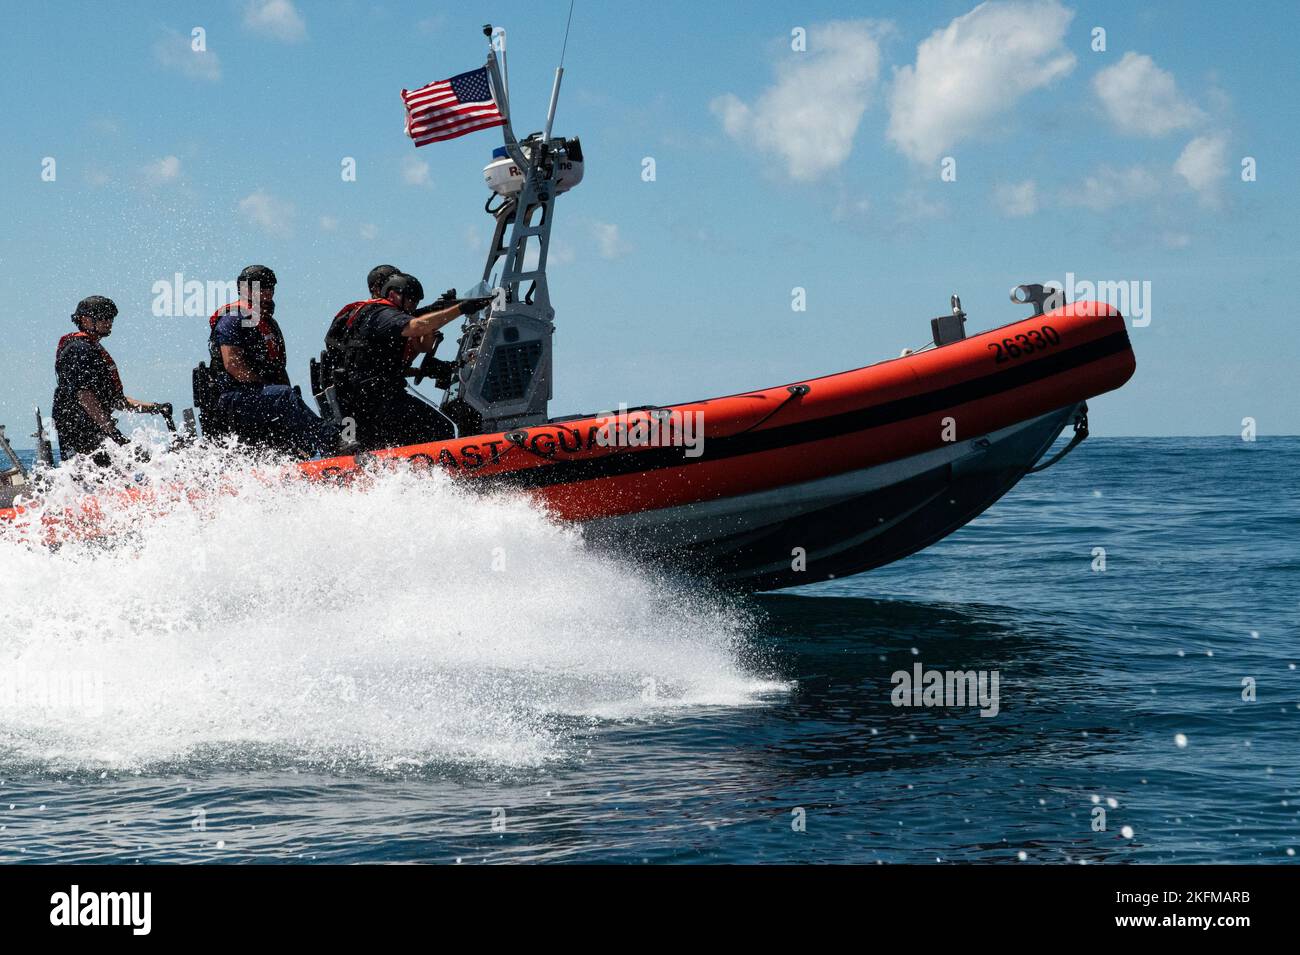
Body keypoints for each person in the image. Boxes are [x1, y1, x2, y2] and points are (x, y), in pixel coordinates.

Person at [326, 273, 490, 451]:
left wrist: (421, 369)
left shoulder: (374, 315)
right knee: (442, 428)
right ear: (392, 294)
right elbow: (418, 326)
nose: (413, 305)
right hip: (378, 400)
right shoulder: (383, 314)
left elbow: (422, 346)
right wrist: (461, 309)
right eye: (410, 298)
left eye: (417, 301)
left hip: (370, 398)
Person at [208, 264, 341, 457]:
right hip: (234, 397)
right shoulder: (233, 319)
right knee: (283, 397)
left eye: (271, 287)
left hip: (261, 396)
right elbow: (233, 365)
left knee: (288, 397)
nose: (268, 292)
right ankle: (334, 441)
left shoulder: (267, 323)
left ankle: (317, 457)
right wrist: (268, 388)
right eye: (262, 287)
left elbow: (278, 369)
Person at [52, 295, 168, 464]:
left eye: (111, 318)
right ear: (85, 320)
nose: (109, 322)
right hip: (79, 430)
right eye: (103, 317)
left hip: (97, 429)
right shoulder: (79, 349)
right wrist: (113, 433)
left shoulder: (93, 348)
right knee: (94, 479)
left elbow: (116, 400)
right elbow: (83, 395)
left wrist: (155, 408)